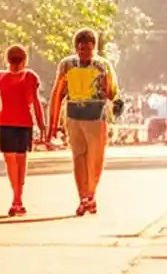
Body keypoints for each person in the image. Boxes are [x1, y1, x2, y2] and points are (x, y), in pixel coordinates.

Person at [47, 28, 119, 216]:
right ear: (76, 48)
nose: (84, 53)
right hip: (73, 116)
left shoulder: (103, 66)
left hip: (96, 116)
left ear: (94, 47)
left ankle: (91, 193)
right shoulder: (67, 65)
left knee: (95, 158)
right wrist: (52, 125)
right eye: (81, 49)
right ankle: (83, 198)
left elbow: (113, 91)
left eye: (88, 49)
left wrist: (115, 102)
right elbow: (57, 94)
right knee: (79, 157)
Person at [0, 44, 46, 217]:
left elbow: (36, 101)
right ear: (7, 60)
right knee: (11, 162)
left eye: (18, 59)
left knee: (20, 161)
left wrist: (42, 125)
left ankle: (18, 198)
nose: (15, 63)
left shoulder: (30, 77)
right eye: (13, 59)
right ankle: (16, 198)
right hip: (6, 123)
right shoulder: (0, 77)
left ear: (25, 60)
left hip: (24, 124)